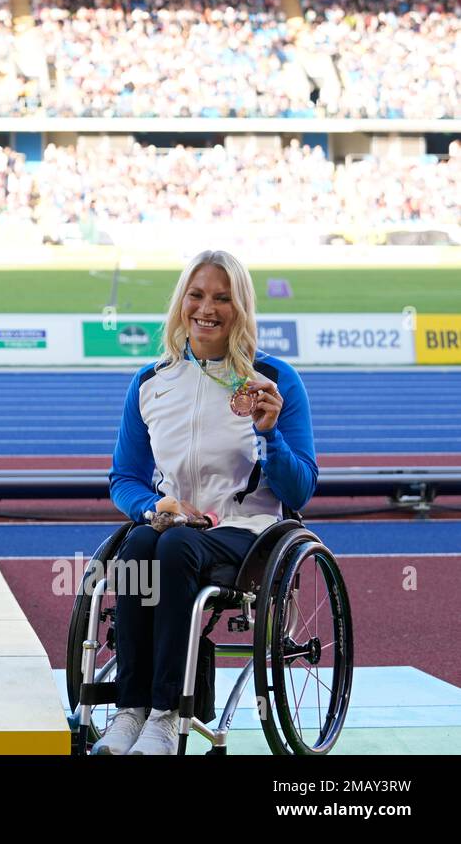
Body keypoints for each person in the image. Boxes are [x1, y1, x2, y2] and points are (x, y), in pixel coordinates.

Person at [95, 249, 317, 755]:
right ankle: (130, 711)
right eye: (196, 295)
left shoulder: (274, 380)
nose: (207, 308)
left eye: (222, 297)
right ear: (181, 304)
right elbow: (125, 478)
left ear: (241, 307)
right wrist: (153, 508)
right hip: (172, 524)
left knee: (173, 553)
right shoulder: (151, 382)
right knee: (135, 553)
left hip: (248, 532)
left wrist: (271, 434)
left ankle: (167, 714)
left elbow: (300, 490)